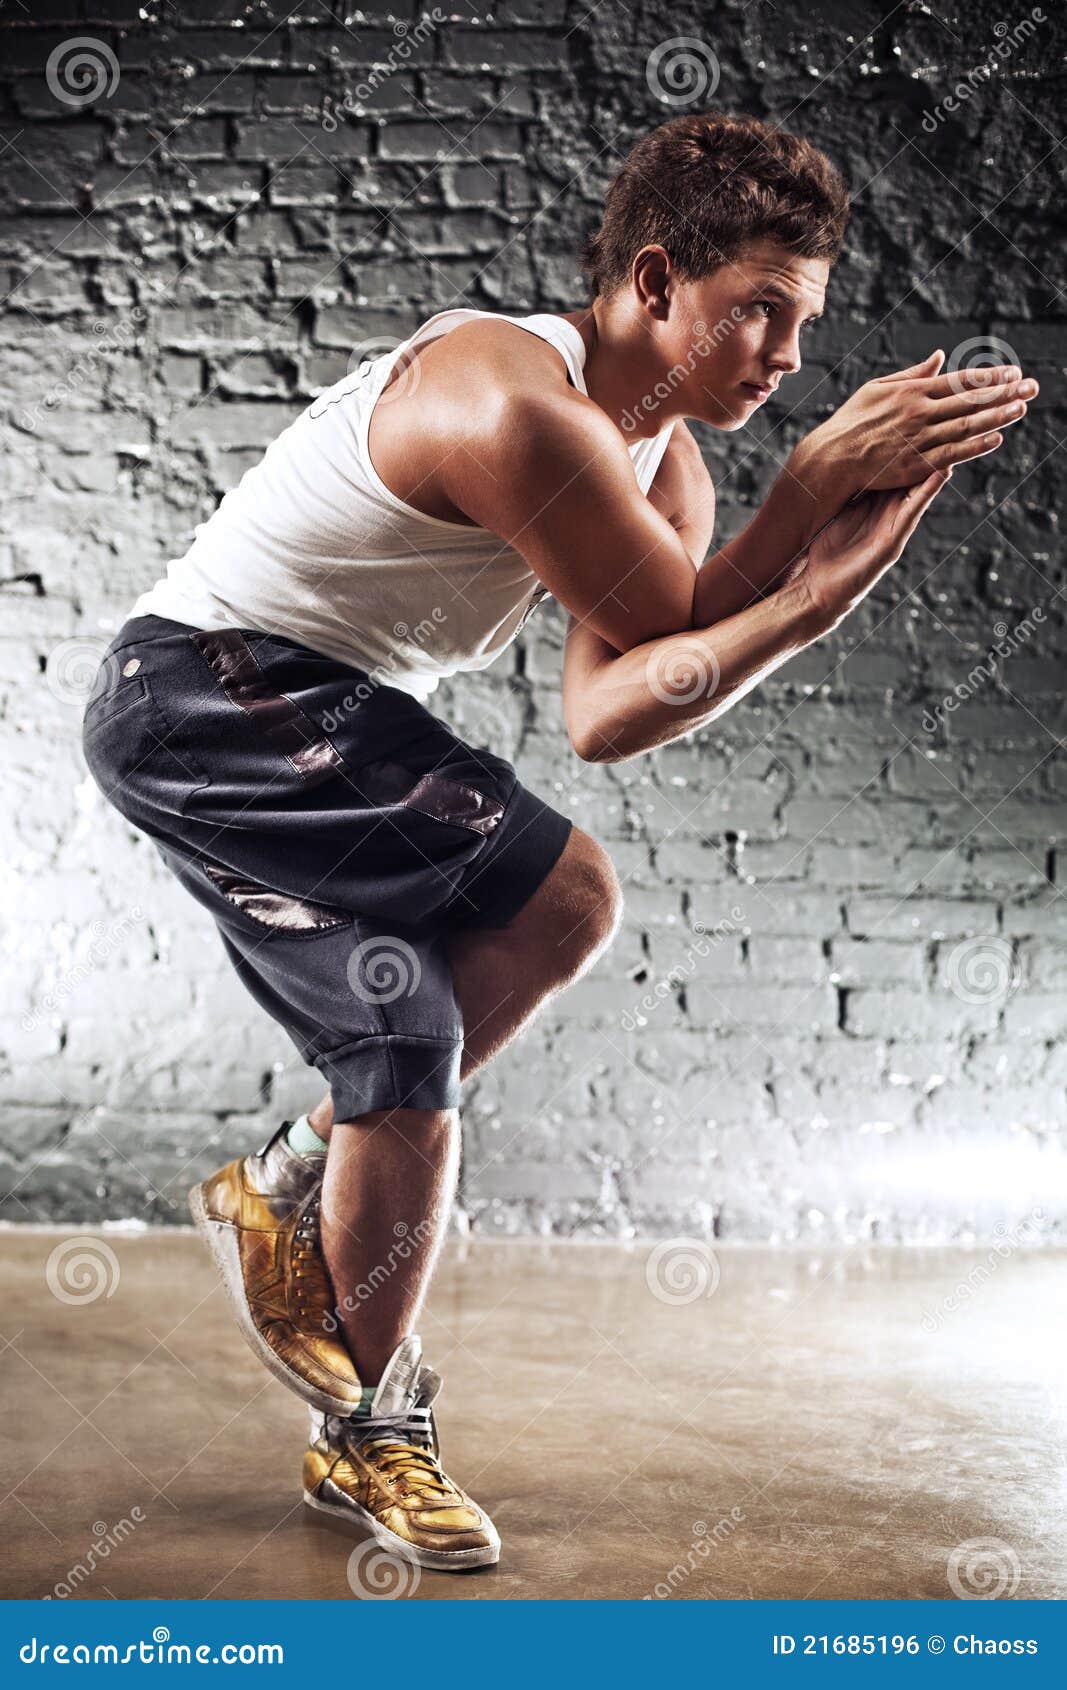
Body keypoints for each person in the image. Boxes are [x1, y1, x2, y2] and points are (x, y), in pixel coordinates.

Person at [80, 110, 1036, 1572]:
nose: (784, 357)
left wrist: (805, 591)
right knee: (569, 890)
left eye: (805, 319)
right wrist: (807, 518)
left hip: (304, 716)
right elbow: (669, 620)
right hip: (207, 691)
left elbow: (609, 709)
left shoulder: (666, 473)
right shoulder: (518, 401)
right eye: (757, 310)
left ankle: (362, 1411)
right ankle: (297, 1192)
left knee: (413, 1025)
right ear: (655, 283)